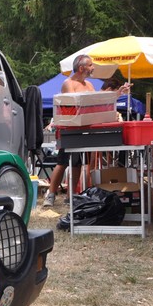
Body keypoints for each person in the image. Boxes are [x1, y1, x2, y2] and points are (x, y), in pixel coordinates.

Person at [42, 54, 106, 207]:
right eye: (90, 65)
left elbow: (95, 102)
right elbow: (74, 102)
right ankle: (50, 194)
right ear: (81, 67)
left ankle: (71, 196)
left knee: (77, 163)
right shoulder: (68, 83)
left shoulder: (89, 85)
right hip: (68, 128)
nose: (93, 68)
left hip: (84, 128)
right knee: (63, 161)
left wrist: (116, 94)